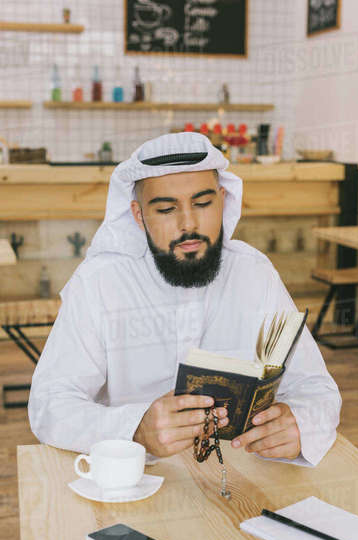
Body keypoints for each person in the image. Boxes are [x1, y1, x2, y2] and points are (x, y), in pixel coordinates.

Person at [28, 132, 341, 466]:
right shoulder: (98, 284)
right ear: (138, 215)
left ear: (223, 200)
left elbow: (315, 387)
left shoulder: (254, 273)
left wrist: (298, 424)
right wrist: (135, 429)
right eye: (166, 209)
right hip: (132, 479)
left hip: (241, 478)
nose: (188, 224)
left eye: (203, 204)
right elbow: (50, 404)